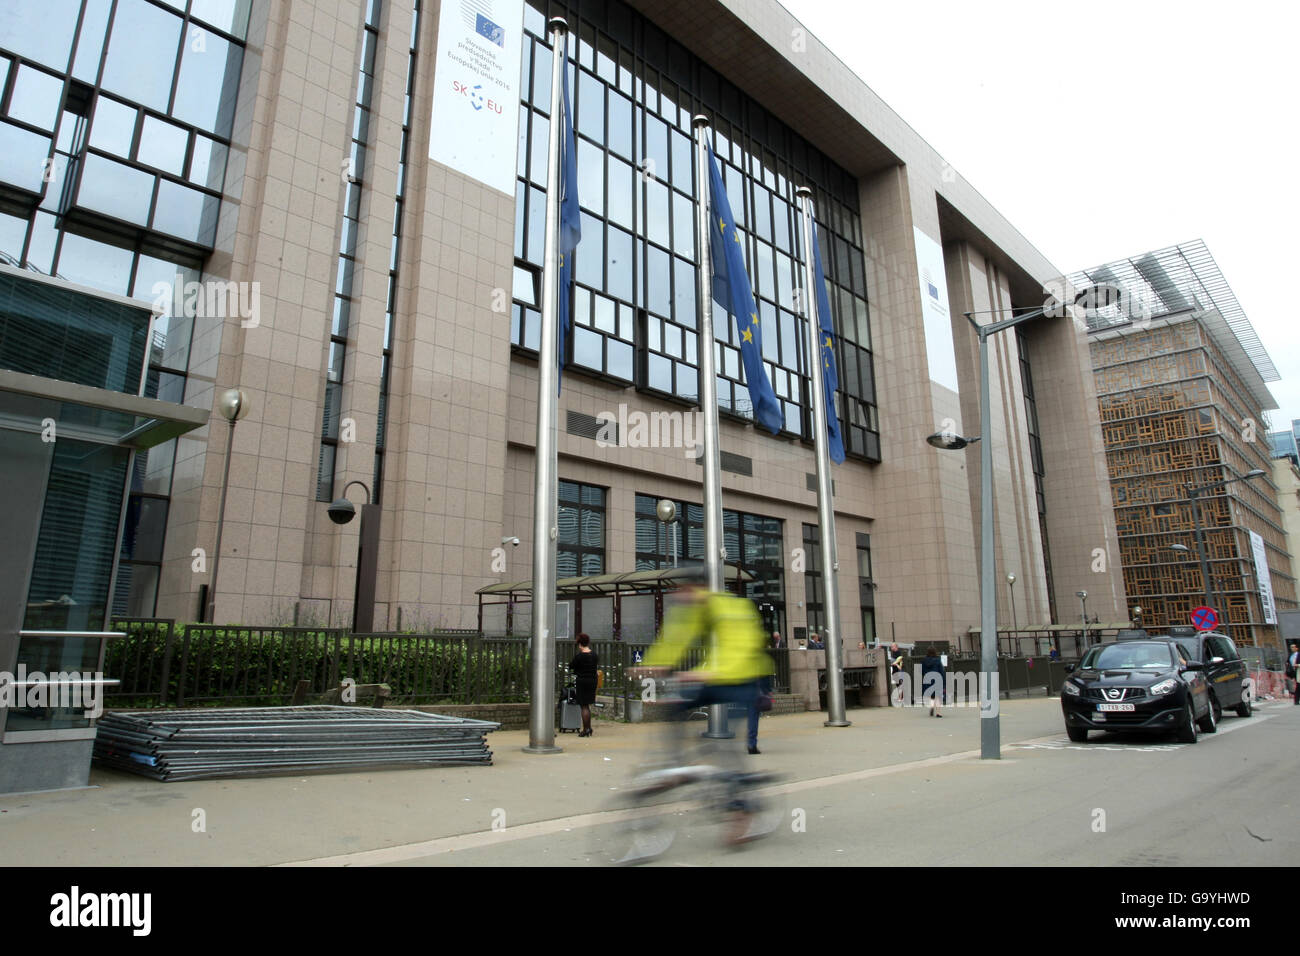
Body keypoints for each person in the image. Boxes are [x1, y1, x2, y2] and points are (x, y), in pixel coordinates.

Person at [643, 570, 775, 763]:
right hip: (719, 679)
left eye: (685, 590)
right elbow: (675, 640)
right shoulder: (695, 607)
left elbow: (742, 645)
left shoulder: (730, 607)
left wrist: (706, 673)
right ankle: (676, 764)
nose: (681, 596)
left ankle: (731, 779)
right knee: (676, 704)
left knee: (726, 751)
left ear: (698, 588)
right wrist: (652, 665)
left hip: (741, 680)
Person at [569, 633, 599, 736]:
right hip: (593, 681)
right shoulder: (594, 655)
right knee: (587, 705)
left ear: (580, 644)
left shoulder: (579, 656)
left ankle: (586, 729)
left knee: (584, 706)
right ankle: (589, 728)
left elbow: (571, 666)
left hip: (582, 681)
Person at [921, 645, 945, 717]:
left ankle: (931, 706)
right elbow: (941, 671)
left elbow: (921, 671)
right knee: (937, 696)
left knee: (932, 696)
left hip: (927, 680)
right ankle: (938, 713)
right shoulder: (937, 660)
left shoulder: (924, 660)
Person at [888, 642, 905, 706]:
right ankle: (900, 697)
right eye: (891, 646)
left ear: (896, 647)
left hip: (898, 671)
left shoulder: (898, 652)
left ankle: (901, 697)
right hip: (895, 671)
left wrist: (895, 663)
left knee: (900, 684)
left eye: (892, 646)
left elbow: (899, 660)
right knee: (898, 685)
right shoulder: (893, 653)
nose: (891, 647)